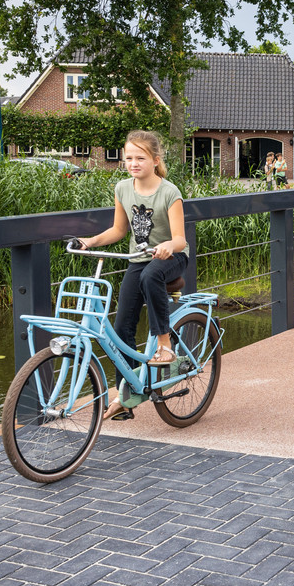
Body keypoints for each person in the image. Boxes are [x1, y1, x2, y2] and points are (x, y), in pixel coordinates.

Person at [75, 130, 189, 421]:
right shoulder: (123, 188)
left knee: (151, 276)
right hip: (139, 258)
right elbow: (118, 231)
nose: (133, 163)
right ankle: (125, 397)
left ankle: (165, 345)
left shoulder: (169, 192)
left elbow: (180, 239)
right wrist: (89, 241)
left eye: (140, 157)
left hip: (172, 257)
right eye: (128, 158)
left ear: (155, 160)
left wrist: (166, 246)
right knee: (121, 327)